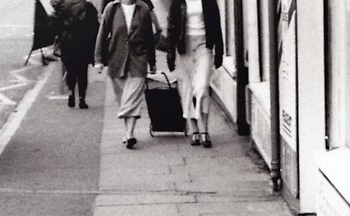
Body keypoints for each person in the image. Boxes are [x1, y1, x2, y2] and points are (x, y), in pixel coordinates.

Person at [95, 0, 157, 149]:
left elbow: (149, 36)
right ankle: (128, 132)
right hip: (117, 60)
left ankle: (129, 134)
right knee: (124, 97)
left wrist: (152, 62)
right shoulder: (112, 9)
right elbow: (102, 34)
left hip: (139, 59)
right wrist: (98, 60)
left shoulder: (143, 9)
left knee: (133, 97)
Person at [166, 0, 223, 148]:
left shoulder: (209, 1)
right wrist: (170, 53)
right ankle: (195, 130)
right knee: (188, 89)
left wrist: (220, 51)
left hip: (205, 45)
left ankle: (204, 129)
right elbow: (172, 27)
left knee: (202, 86)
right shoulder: (178, 2)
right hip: (184, 46)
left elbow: (216, 25)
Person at [51, 0, 99, 109]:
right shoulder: (88, 6)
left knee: (70, 70)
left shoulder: (62, 5)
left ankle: (71, 92)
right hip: (84, 42)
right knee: (83, 71)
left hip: (67, 42)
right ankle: (82, 98)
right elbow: (95, 26)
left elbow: (55, 24)